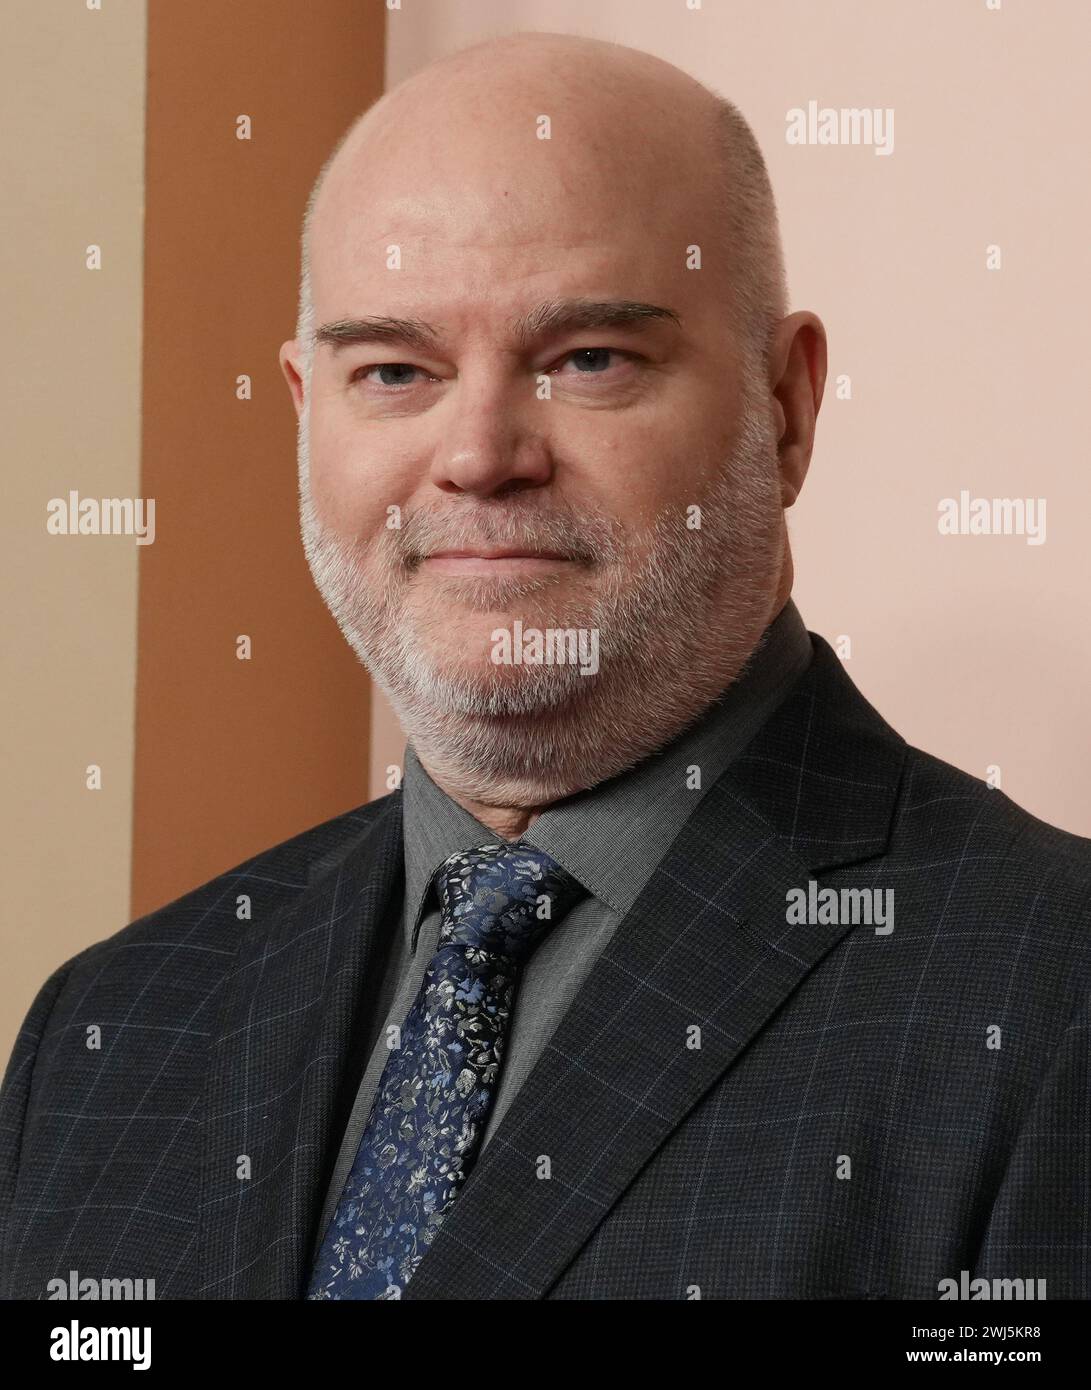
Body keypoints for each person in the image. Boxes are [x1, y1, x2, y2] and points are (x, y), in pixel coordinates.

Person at [2, 31, 1088, 1302]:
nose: (477, 455)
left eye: (587, 360)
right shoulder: (108, 1029)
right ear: (307, 415)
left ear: (782, 407)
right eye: (394, 371)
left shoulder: (1045, 1000)